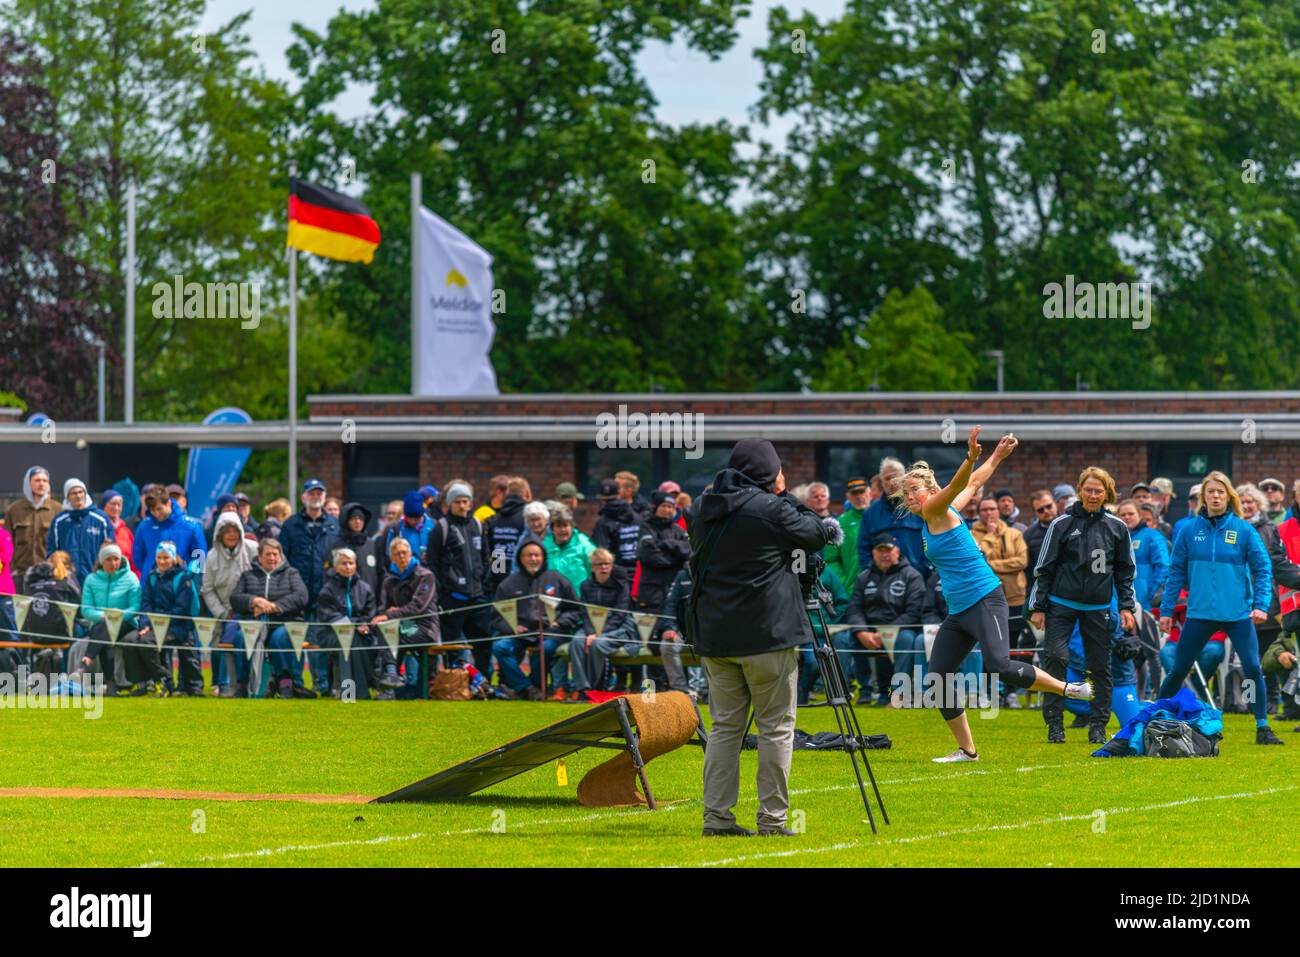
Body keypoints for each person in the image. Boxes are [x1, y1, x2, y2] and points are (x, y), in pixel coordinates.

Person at [901, 427, 1091, 762]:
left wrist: (970, 457)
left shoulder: (935, 509)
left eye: (915, 490)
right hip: (959, 610)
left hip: (985, 598)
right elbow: (974, 484)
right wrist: (997, 456)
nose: (910, 497)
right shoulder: (939, 513)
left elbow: (959, 483)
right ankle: (967, 750)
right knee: (938, 678)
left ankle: (1068, 689)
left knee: (999, 665)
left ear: (931, 490)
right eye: (906, 494)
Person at [687, 437, 840, 837]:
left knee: (724, 729)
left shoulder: (701, 507)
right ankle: (772, 820)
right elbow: (817, 533)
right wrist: (783, 493)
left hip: (716, 636)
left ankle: (716, 819)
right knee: (776, 728)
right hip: (766, 635)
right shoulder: (770, 508)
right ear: (769, 473)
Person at [1158, 471, 1282, 745]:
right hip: (1199, 614)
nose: (1215, 496)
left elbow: (1263, 569)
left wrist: (1261, 605)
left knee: (1252, 667)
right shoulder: (1188, 530)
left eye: (1220, 492)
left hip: (1237, 615)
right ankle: (1154, 718)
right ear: (1203, 496)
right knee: (1178, 669)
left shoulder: (1244, 530)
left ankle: (1262, 727)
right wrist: (1166, 611)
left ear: (1228, 496)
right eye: (1210, 491)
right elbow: (1175, 573)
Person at [1029, 466, 1137, 744]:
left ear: (1107, 493)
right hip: (1061, 604)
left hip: (1098, 608)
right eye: (1088, 490)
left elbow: (1125, 572)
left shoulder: (1117, 527)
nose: (1092, 495)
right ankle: (1055, 724)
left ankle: (1098, 725)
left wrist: (1126, 606)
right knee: (1056, 658)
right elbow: (1044, 568)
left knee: (1100, 666)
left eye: (1098, 491)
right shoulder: (1061, 524)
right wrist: (1038, 607)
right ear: (1079, 491)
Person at [837, 532, 925, 707]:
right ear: (873, 553)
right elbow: (854, 609)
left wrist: (885, 632)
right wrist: (861, 632)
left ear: (897, 552)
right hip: (868, 632)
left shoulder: (912, 576)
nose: (885, 554)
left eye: (888, 550)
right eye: (880, 550)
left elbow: (914, 612)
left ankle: (898, 696)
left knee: (907, 639)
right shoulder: (864, 577)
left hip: (899, 630)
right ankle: (845, 693)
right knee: (842, 639)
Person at [490, 538, 581, 700]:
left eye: (537, 555)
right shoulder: (508, 584)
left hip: (550, 632)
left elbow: (575, 609)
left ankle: (534, 687)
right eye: (529, 555)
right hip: (521, 633)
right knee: (500, 647)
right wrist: (512, 627)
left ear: (543, 557)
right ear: (520, 558)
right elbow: (496, 616)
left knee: (546, 648)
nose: (533, 559)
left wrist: (560, 622)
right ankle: (526, 687)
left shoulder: (557, 579)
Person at [1238, 483, 1300, 717]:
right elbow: (1277, 564)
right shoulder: (1234, 529)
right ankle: (1249, 702)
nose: (1246, 505)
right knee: (1248, 659)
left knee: (1270, 656)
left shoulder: (1269, 529)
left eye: (1250, 501)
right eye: (1242, 501)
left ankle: (1274, 701)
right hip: (1245, 603)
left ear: (1258, 504)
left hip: (1270, 604)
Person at [424, 482, 495, 681]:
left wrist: (488, 581)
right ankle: (455, 683)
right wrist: (440, 592)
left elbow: (488, 556)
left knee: (483, 642)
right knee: (452, 646)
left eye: (465, 501)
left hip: (478, 596)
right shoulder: (441, 528)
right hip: (452, 597)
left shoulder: (478, 525)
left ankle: (484, 682)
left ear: (470, 503)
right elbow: (432, 563)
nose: (462, 506)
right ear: (449, 504)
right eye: (457, 502)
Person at [278, 478, 340, 694]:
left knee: (319, 643)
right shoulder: (290, 524)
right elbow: (282, 560)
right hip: (296, 595)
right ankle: (297, 683)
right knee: (296, 641)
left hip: (324, 594)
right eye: (312, 493)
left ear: (324, 496)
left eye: (319, 493)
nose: (316, 497)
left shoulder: (333, 525)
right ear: (303, 497)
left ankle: (321, 684)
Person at [230, 537, 310, 699]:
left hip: (284, 623)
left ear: (280, 556)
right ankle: (242, 684)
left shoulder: (291, 573)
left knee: (279, 638)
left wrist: (273, 606)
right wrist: (254, 601)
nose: (272, 558)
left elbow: (301, 596)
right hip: (254, 624)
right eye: (268, 554)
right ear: (259, 557)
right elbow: (235, 598)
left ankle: (285, 684)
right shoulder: (247, 575)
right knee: (240, 637)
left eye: (275, 554)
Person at [971, 495, 1030, 706]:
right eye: (985, 510)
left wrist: (994, 565)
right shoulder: (972, 534)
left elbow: (1022, 561)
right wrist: (989, 536)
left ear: (999, 511)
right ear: (979, 513)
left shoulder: (1014, 533)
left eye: (992, 509)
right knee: (989, 647)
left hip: (1015, 598)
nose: (989, 513)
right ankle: (988, 692)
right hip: (986, 599)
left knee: (1011, 647)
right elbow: (978, 561)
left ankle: (1010, 692)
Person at [80, 542, 159, 696]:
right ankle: (111, 684)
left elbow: (136, 606)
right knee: (105, 631)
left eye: (116, 559)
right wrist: (105, 616)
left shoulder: (130, 578)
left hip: (126, 623)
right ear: (102, 561)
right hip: (100, 624)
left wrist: (118, 616)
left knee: (105, 629)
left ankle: (88, 661)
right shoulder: (91, 579)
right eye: (109, 559)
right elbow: (86, 609)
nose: (113, 563)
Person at [566, 548, 638, 702]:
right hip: (591, 627)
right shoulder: (585, 585)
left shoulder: (621, 585)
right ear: (592, 567)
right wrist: (591, 632)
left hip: (619, 627)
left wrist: (598, 633)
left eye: (607, 564)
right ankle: (582, 688)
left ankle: (596, 687)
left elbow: (620, 614)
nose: (604, 567)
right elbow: (584, 613)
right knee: (576, 642)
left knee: (598, 644)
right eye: (599, 564)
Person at [202, 512, 259, 697]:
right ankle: (223, 683)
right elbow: (207, 589)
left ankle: (249, 683)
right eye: (227, 531)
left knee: (244, 643)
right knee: (220, 645)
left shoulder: (253, 549)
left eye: (235, 530)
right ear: (219, 534)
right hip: (224, 610)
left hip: (252, 609)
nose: (232, 534)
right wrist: (221, 613)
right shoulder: (211, 556)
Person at [373, 537, 440, 693]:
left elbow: (418, 606)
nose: (401, 556)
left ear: (410, 554)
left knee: (392, 638)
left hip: (425, 627)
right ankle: (390, 682)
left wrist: (392, 614)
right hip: (401, 626)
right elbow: (383, 608)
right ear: (392, 558)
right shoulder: (389, 580)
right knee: (383, 631)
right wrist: (385, 615)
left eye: (404, 553)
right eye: (397, 554)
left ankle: (390, 680)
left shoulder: (425, 576)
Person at [138, 542, 203, 695]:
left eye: (166, 557)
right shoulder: (152, 577)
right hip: (157, 625)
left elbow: (182, 608)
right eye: (159, 557)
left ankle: (193, 688)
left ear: (173, 558)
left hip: (180, 626)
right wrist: (146, 624)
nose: (162, 561)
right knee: (144, 641)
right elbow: (146, 604)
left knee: (187, 655)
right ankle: (165, 681)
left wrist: (159, 624)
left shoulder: (183, 577)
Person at [316, 547, 378, 698]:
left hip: (360, 633)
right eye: (344, 563)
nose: (348, 567)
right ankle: (365, 687)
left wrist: (363, 625)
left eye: (351, 563)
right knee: (351, 640)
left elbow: (369, 614)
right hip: (330, 634)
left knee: (369, 641)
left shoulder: (365, 588)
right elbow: (329, 616)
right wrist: (356, 625)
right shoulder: (327, 590)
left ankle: (354, 691)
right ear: (336, 567)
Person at [858, 457, 930, 580]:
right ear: (881, 482)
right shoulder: (870, 514)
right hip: (882, 581)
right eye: (887, 478)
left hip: (918, 578)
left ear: (904, 479)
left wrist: (924, 569)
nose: (892, 482)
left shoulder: (919, 508)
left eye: (896, 477)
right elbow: (863, 550)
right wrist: (873, 576)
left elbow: (931, 542)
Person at [47, 478, 113, 585]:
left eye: (81, 492)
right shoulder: (59, 521)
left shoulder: (101, 519)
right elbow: (52, 551)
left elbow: (110, 549)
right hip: (67, 580)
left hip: (96, 579)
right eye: (73, 493)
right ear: (67, 497)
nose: (78, 496)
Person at [133, 488, 207, 579]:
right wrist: (149, 571)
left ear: (168, 503)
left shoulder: (190, 526)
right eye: (152, 510)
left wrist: (190, 577)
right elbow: (138, 557)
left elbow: (199, 556)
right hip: (152, 583)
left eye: (159, 509)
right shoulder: (145, 526)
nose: (156, 513)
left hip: (181, 582)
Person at [6, 466, 59, 582]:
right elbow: (6, 544)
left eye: (45, 480)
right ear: (28, 483)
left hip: (48, 573)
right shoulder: (14, 510)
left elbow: (62, 544)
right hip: (20, 573)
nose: (41, 484)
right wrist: (11, 569)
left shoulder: (57, 509)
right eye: (37, 480)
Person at [1117, 498, 1169, 615]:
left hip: (1144, 600)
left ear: (1140, 515)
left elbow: (1163, 567)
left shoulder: (1152, 536)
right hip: (1120, 601)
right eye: (1123, 514)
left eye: (1131, 514)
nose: (1126, 517)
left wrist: (1150, 594)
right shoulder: (1117, 538)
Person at [481, 477, 530, 595]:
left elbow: (492, 554)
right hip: (523, 583)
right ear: (527, 494)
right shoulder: (527, 518)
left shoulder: (495, 519)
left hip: (499, 582)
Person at [330, 502, 383, 597]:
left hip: (370, 599)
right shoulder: (336, 545)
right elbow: (328, 573)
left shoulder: (372, 544)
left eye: (361, 519)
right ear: (346, 521)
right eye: (353, 519)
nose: (358, 522)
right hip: (343, 599)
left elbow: (380, 573)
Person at [592, 478, 644, 572]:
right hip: (638, 572)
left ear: (602, 500)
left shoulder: (603, 522)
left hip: (616, 574)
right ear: (618, 494)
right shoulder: (637, 517)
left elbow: (601, 553)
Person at [826, 477, 870, 588]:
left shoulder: (880, 518)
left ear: (869, 493)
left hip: (882, 587)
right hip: (852, 589)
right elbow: (831, 559)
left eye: (862, 492)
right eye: (854, 493)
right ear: (848, 497)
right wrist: (843, 584)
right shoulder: (839, 523)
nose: (859, 496)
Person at [99, 490, 138, 575]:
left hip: (123, 577)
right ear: (104, 505)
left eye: (119, 505)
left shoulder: (125, 531)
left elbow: (133, 559)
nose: (116, 508)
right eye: (113, 504)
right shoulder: (97, 527)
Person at [1022, 490, 1056, 567]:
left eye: (1049, 506)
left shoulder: (1070, 526)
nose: (1046, 511)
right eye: (1040, 510)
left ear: (1055, 503)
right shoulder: (1029, 535)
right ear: (1035, 513)